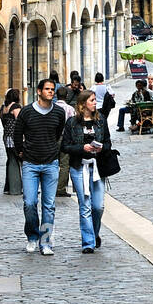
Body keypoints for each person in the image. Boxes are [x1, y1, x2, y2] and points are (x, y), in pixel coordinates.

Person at [13, 78, 66, 255]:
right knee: (29, 203)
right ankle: (32, 236)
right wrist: (21, 153)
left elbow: (57, 134)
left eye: (52, 89)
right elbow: (17, 135)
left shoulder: (59, 113)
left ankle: (46, 242)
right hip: (30, 163)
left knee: (49, 205)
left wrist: (53, 152)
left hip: (51, 163)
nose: (51, 92)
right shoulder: (27, 112)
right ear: (39, 91)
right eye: (47, 89)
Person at [61, 89, 113, 253]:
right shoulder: (71, 123)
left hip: (98, 167)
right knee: (85, 206)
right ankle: (88, 243)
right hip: (79, 167)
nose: (95, 103)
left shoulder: (101, 120)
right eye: (92, 100)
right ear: (83, 104)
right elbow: (65, 146)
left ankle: (94, 233)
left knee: (98, 206)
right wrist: (81, 148)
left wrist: (101, 148)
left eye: (94, 100)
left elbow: (108, 143)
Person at [0, 90, 23, 196]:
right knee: (17, 160)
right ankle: (16, 187)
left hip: (6, 136)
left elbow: (3, 121)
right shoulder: (15, 107)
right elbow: (20, 121)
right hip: (14, 137)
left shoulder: (4, 107)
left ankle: (9, 187)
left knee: (10, 160)